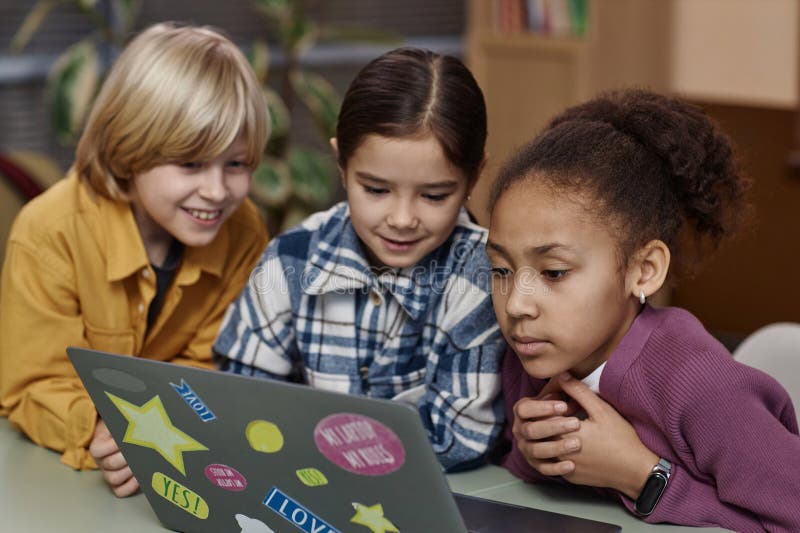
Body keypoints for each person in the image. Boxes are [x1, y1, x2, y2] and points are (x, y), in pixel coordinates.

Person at [487, 89, 800, 531]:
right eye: (500, 271)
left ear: (644, 270)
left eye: (554, 272)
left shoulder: (704, 390)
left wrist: (644, 478)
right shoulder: (534, 355)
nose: (516, 304)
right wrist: (530, 452)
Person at [0, 23, 270, 497]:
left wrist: (165, 429)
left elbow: (214, 364)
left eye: (238, 163)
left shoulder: (243, 228)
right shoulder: (50, 230)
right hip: (56, 480)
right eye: (190, 163)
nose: (217, 190)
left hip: (178, 465)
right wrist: (111, 432)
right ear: (128, 151)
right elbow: (33, 386)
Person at [214, 47, 506, 471]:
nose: (402, 219)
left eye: (434, 196)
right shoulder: (289, 261)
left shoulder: (482, 280)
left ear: (474, 177)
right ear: (342, 164)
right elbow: (242, 397)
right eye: (375, 190)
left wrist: (305, 440)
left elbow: (460, 437)